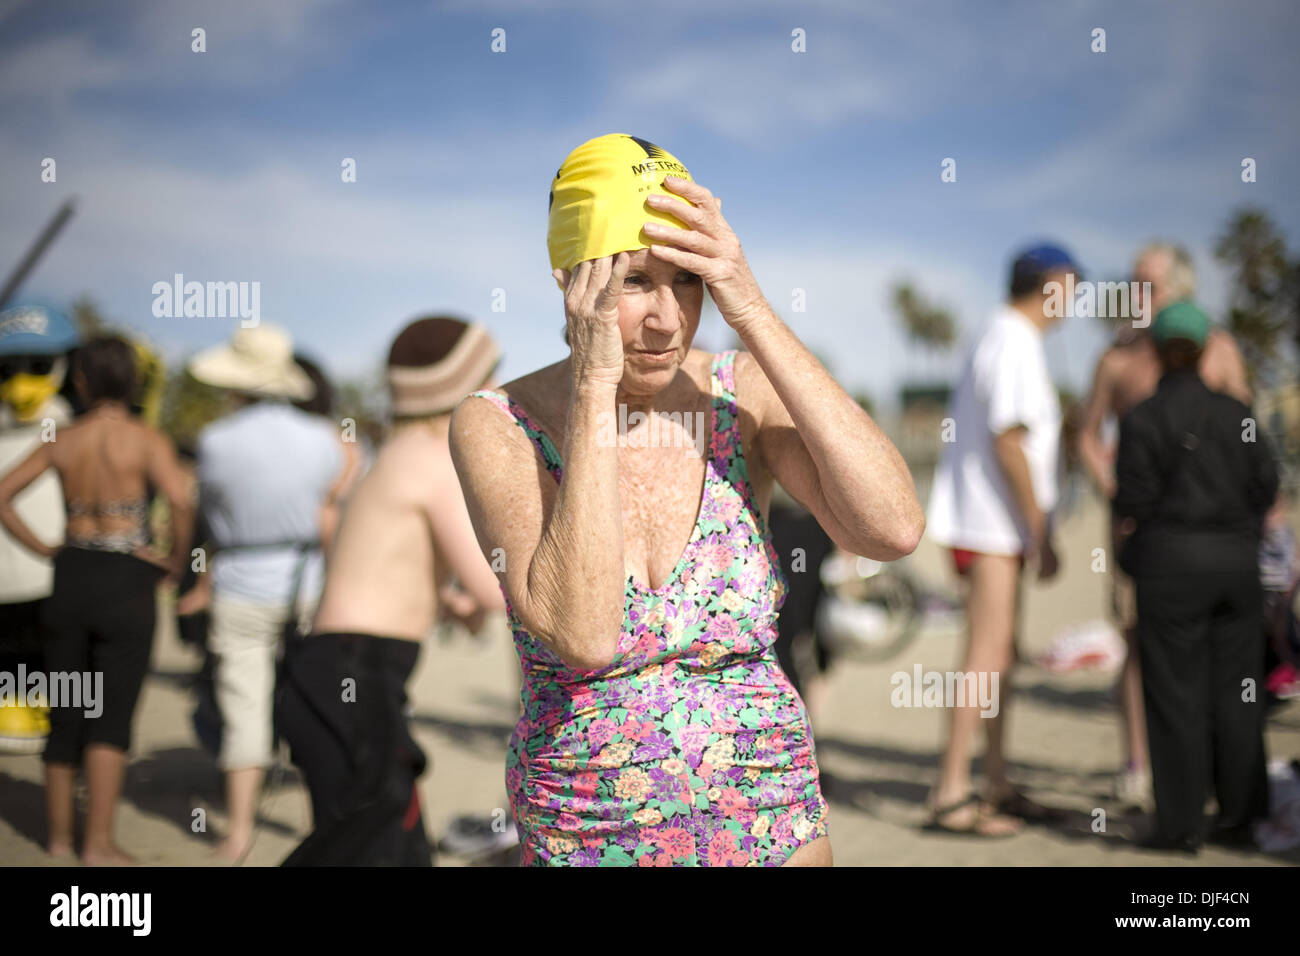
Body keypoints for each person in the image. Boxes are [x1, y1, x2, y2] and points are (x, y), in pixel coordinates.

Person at [450, 133, 924, 866]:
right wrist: (593, 389)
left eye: (689, 281)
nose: (668, 319)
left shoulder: (738, 397)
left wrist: (752, 308)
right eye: (635, 281)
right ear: (569, 276)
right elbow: (583, 635)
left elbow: (891, 529)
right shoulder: (500, 423)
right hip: (591, 825)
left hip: (772, 812)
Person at [279, 315, 505, 866]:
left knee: (391, 841)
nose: (500, 395)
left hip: (336, 670)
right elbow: (498, 586)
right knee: (366, 841)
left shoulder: (396, 456)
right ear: (461, 389)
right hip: (354, 672)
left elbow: (392, 571)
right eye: (492, 380)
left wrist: (451, 602)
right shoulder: (433, 461)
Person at [0, 335, 193, 864]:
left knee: (65, 710)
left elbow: (2, 494)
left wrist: (45, 547)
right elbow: (178, 499)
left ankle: (59, 840)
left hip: (72, 571)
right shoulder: (146, 439)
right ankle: (99, 843)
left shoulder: (62, 439)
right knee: (111, 716)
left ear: (80, 381)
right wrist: (174, 561)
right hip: (126, 572)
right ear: (132, 381)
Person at [1077, 241, 1252, 809]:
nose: (1136, 296)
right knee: (1136, 638)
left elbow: (1246, 433)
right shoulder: (1116, 359)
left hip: (1211, 530)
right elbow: (1086, 433)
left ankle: (1210, 772)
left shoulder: (1219, 350)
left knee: (1215, 646)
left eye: (1148, 284)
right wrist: (1113, 487)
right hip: (1136, 529)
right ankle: (1138, 762)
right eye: (1132, 283)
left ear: (1181, 289)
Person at [180, 323, 355, 860]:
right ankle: (317, 820)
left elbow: (206, 514)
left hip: (238, 582)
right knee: (314, 702)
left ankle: (237, 835)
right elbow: (334, 508)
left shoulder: (214, 440)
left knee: (243, 708)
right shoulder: (325, 440)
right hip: (308, 579)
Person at [924, 243, 1079, 836]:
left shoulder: (1003, 335)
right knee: (985, 656)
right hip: (991, 524)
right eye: (1073, 285)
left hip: (990, 523)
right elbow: (1010, 441)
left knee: (998, 655)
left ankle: (992, 781)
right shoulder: (1013, 338)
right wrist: (1040, 531)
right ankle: (951, 792)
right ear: (1050, 283)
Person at [1113, 301, 1278, 853]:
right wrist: (1241, 534)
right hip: (1235, 568)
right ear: (1206, 349)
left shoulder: (1140, 419)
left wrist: (1134, 557)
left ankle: (1180, 825)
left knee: (1174, 697)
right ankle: (1241, 816)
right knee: (1239, 693)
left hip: (1169, 569)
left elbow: (1130, 500)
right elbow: (1266, 485)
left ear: (1158, 352)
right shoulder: (1240, 415)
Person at [0, 303, 78, 755]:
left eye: (38, 365)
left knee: (49, 645)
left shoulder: (64, 426)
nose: (20, 380)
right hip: (17, 572)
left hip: (49, 573)